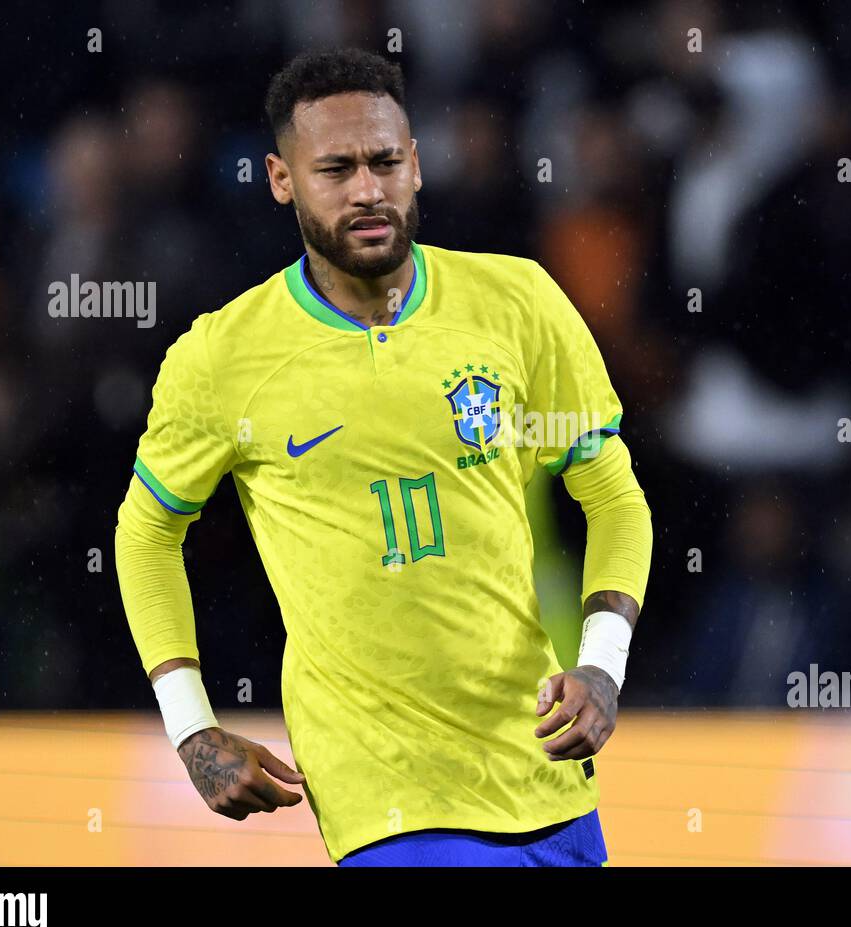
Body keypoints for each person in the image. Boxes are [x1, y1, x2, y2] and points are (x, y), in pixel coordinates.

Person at [114, 48, 652, 866]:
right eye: (335, 169)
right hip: (385, 795)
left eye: (384, 162)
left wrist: (603, 666)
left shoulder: (518, 302)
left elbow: (613, 498)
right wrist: (192, 728)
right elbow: (147, 534)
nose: (367, 189)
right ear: (280, 179)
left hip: (543, 766)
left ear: (418, 167)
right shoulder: (224, 356)